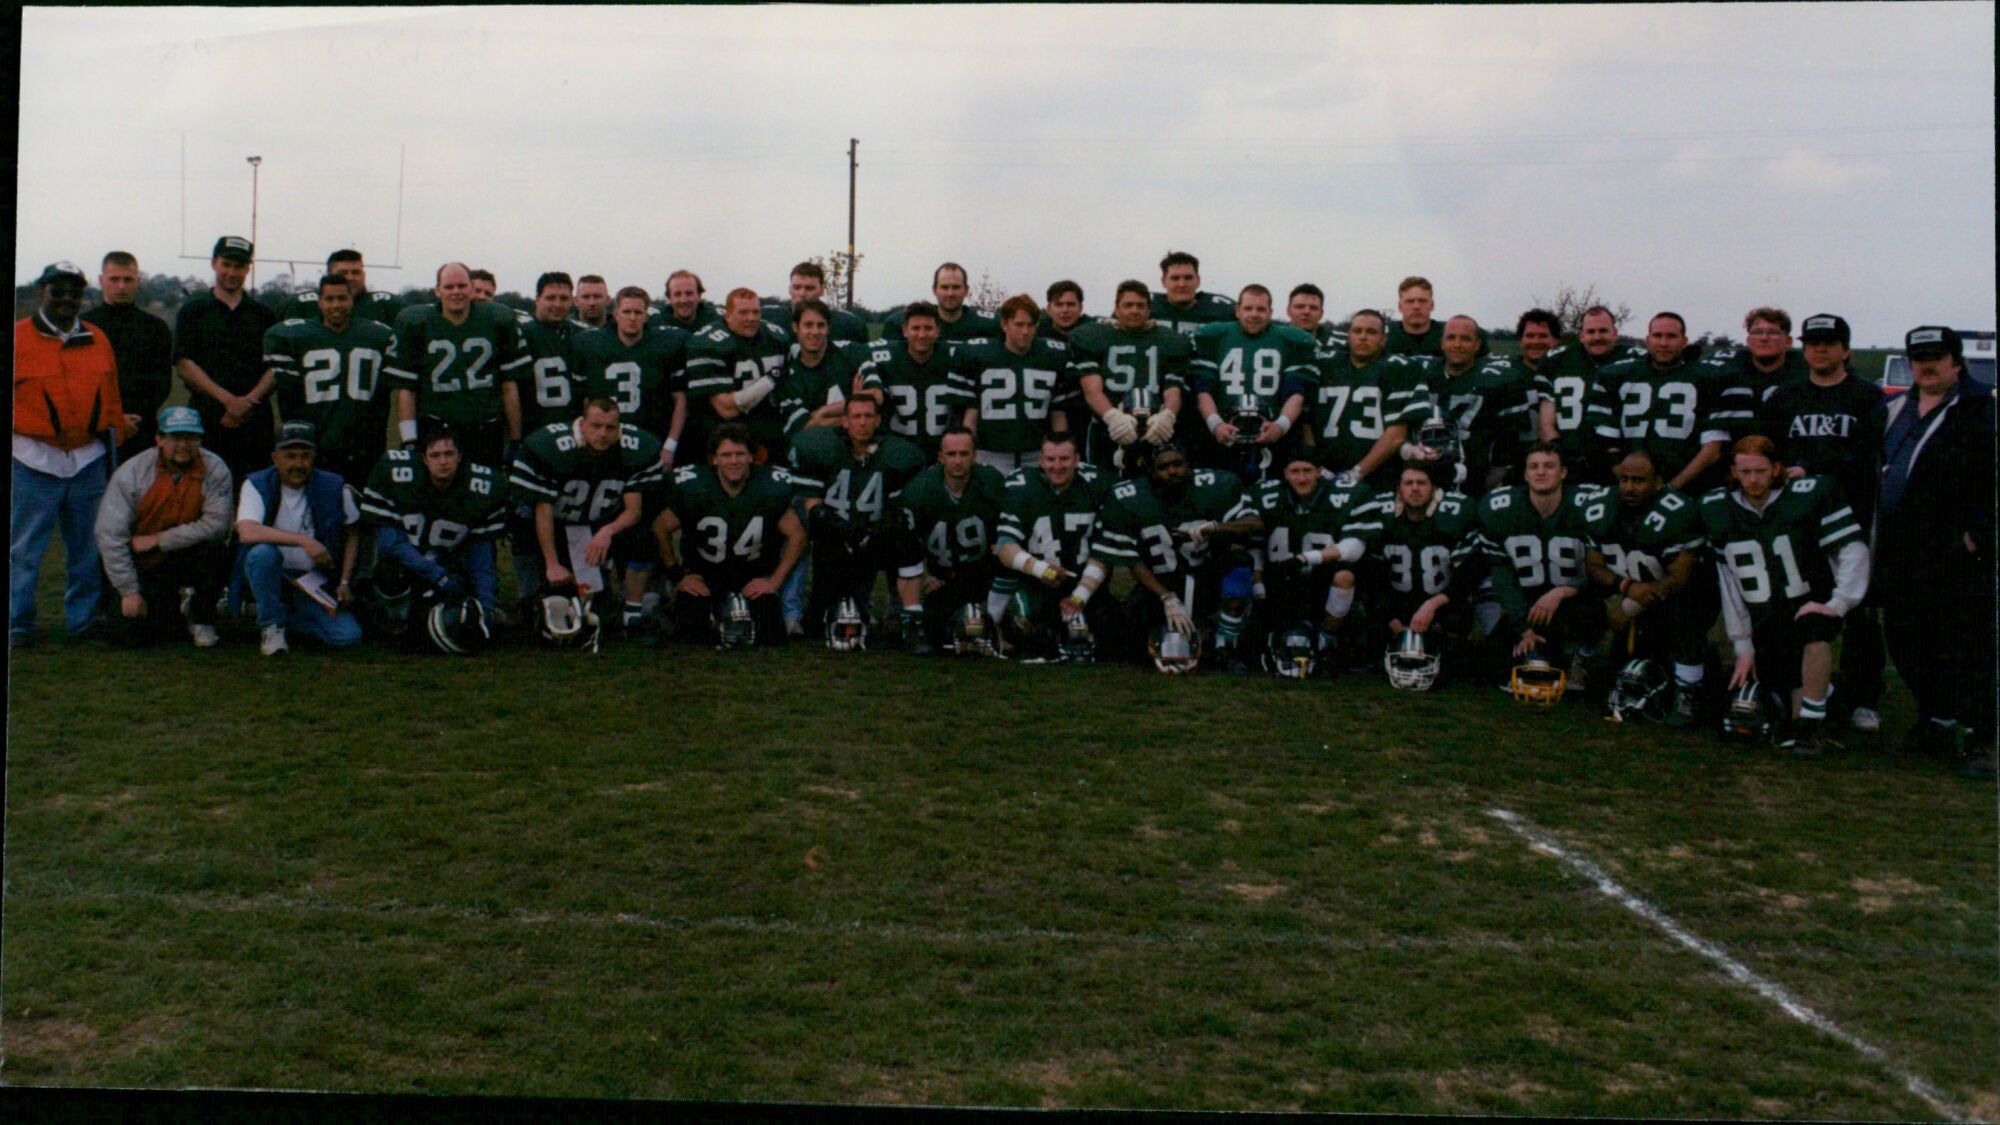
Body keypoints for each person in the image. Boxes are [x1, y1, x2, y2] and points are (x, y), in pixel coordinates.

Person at [1871, 326, 1995, 776]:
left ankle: (1985, 739)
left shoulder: (1982, 409)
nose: (1927, 364)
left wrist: (1979, 535)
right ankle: (1936, 722)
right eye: (1918, 356)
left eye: (1936, 357)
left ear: (1956, 361)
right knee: (1906, 638)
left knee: (1968, 645)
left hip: (1957, 551)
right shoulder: (1892, 406)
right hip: (1899, 547)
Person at [1756, 313, 1887, 733]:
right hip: (1800, 521)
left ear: (1846, 349)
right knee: (1797, 602)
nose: (1821, 349)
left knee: (1859, 610)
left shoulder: (1869, 398)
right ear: (1803, 347)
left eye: (1830, 342)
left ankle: (1863, 698)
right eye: (1813, 343)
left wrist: (1811, 467)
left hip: (1852, 514)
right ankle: (1795, 686)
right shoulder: (1785, 397)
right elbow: (1768, 453)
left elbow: (1870, 458)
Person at [1702, 435, 1869, 753]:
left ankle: (1810, 727)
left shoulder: (1809, 494)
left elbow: (1853, 549)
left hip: (1807, 607)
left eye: (1761, 471)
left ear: (1777, 468)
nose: (1753, 480)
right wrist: (1742, 643)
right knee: (1757, 703)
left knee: (1814, 631)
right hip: (1767, 617)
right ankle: (1826, 703)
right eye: (1745, 472)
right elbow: (1729, 581)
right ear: (1734, 471)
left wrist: (1838, 603)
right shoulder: (1717, 508)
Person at [12, 262, 137, 648]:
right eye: (58, 290)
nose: (67, 299)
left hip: (87, 459)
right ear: (40, 294)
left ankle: (83, 622)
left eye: (74, 292)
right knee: (25, 549)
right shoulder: (19, 338)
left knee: (87, 549)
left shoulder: (97, 338)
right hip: (33, 458)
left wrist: (118, 427)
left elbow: (112, 395)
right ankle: (18, 624)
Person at [509, 397, 668, 636]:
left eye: (610, 427)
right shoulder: (551, 448)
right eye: (596, 426)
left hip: (597, 528)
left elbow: (633, 511)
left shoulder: (635, 451)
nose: (603, 434)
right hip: (558, 529)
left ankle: (632, 610)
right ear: (582, 424)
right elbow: (543, 510)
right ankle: (527, 597)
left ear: (619, 428)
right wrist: (552, 564)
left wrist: (607, 531)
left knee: (642, 535)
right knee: (520, 521)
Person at [1095, 442, 1261, 668]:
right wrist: (1166, 597)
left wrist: (1215, 527)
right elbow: (1131, 560)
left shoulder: (1217, 486)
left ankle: (1225, 644)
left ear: (1188, 465)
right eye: (1163, 467)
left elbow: (1255, 523)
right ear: (1152, 472)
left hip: (1206, 578)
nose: (1172, 471)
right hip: (1159, 583)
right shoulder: (1130, 498)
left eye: (1177, 464)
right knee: (1125, 644)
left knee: (1240, 563)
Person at [1579, 448, 1712, 722]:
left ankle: (1688, 690)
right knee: (1585, 602)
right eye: (1624, 479)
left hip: (1675, 600)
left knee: (1685, 612)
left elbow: (1679, 579)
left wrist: (1629, 607)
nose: (1629, 487)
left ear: (1658, 481)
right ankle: (1582, 660)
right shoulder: (1600, 508)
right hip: (1631, 590)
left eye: (1638, 480)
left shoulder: (1679, 513)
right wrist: (1626, 586)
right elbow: (1593, 566)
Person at [651, 423, 808, 646]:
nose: (733, 461)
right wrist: (678, 576)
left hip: (751, 578)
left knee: (771, 634)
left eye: (740, 454)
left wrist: (773, 581)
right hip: (705, 577)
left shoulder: (767, 487)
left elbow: (798, 536)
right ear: (714, 459)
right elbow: (660, 527)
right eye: (726, 455)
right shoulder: (696, 487)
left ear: (752, 457)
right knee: (690, 634)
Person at [789, 394, 927, 643]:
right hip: (834, 537)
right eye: (856, 416)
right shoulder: (823, 447)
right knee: (820, 619)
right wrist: (841, 528)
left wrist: (877, 530)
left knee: (907, 540)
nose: (862, 422)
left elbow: (901, 508)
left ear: (877, 421)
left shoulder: (895, 453)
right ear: (844, 421)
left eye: (868, 416)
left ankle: (908, 616)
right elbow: (809, 504)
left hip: (877, 537)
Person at [93, 406, 235, 648]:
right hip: (140, 558)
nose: (183, 445)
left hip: (183, 553)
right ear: (159, 439)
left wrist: (160, 539)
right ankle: (166, 606)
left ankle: (201, 616)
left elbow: (217, 525)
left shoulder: (215, 468)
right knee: (137, 635)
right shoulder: (131, 473)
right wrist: (129, 591)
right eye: (175, 437)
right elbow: (110, 535)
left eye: (191, 437)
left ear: (199, 439)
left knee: (217, 552)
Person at [1475, 442, 1603, 680]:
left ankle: (1581, 656)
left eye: (1549, 466)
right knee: (1495, 665)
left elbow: (1600, 570)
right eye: (1533, 467)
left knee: (1591, 611)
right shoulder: (1502, 510)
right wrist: (1524, 629)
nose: (1541, 472)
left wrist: (1564, 591)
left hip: (1574, 601)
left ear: (1563, 472)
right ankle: (1544, 648)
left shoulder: (1588, 506)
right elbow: (1503, 577)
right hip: (1528, 604)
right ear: (1525, 474)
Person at [358, 426, 508, 629]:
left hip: (449, 565)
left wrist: (486, 605)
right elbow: (389, 544)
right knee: (390, 576)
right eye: (435, 455)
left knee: (463, 606)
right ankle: (393, 617)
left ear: (459, 457)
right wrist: (436, 575)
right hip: (408, 567)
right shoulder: (396, 476)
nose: (443, 461)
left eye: (449, 454)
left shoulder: (482, 489)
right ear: (424, 459)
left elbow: (481, 558)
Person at [235, 421, 363, 655]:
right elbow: (247, 531)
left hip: (312, 581)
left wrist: (344, 581)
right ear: (275, 457)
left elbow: (352, 534)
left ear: (314, 456)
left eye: (305, 456)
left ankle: (275, 615)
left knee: (347, 636)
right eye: (290, 456)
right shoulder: (256, 483)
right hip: (273, 573)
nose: (298, 464)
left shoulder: (335, 486)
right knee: (262, 553)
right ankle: (271, 626)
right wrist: (305, 541)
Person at [386, 262, 530, 470]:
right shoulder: (416, 323)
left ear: (472, 288)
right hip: (436, 429)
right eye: (449, 287)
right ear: (437, 290)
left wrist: (515, 441)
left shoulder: (497, 320)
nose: (456, 292)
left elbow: (509, 386)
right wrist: (409, 440)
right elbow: (406, 390)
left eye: (462, 286)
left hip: (484, 430)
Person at [987, 432, 1112, 660]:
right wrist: (1041, 570)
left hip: (1086, 582)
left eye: (1064, 459)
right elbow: (1005, 547)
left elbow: (1105, 551)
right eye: (1050, 459)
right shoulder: (1022, 486)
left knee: (1114, 635)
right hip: (1037, 584)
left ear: (1077, 459)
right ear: (1041, 460)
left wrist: (1080, 596)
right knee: (1026, 635)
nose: (1057, 466)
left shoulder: (1097, 485)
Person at [1250, 450, 1380, 669]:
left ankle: (1326, 641)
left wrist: (1304, 558)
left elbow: (1354, 548)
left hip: (1322, 583)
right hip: (1280, 584)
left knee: (1345, 577)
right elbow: (1252, 545)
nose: (1301, 478)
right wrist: (1258, 585)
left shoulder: (1345, 495)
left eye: (1307, 471)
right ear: (1285, 473)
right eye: (1295, 471)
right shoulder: (1266, 496)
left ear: (1320, 472)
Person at [1353, 462, 1483, 681]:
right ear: (1398, 489)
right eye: (1408, 483)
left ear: (1434, 489)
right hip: (1395, 606)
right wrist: (1392, 621)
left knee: (1458, 620)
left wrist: (1433, 605)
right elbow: (1371, 581)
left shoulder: (1452, 519)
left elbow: (1468, 576)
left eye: (1421, 483)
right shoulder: (1384, 521)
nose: (1415, 488)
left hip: (1439, 606)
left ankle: (1448, 649)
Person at [265, 272, 396, 488]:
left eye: (342, 298)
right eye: (329, 299)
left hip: (364, 445)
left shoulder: (377, 336)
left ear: (352, 300)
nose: (336, 305)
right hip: (317, 445)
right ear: (319, 302)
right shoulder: (296, 335)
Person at [1586, 311, 1732, 495]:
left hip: (1688, 489)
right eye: (1657, 336)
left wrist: (1670, 489)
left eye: (1671, 336)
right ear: (1647, 339)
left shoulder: (1708, 379)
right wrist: (1632, 484)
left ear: (1684, 341)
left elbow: (1712, 451)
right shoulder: (1617, 376)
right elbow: (1607, 443)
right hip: (1628, 490)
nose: (1663, 343)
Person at [173, 235, 279, 484]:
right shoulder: (193, 312)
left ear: (248, 269)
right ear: (214, 264)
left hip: (254, 422)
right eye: (226, 265)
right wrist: (228, 401)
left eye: (239, 266)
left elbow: (276, 366)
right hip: (208, 418)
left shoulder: (264, 315)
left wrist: (247, 402)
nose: (232, 272)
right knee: (205, 493)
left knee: (253, 495)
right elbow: (184, 364)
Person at [895, 426, 1008, 653]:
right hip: (941, 578)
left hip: (982, 574)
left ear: (974, 456)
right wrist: (925, 575)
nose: (958, 461)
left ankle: (1001, 623)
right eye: (951, 454)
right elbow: (905, 544)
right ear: (940, 457)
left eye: (964, 454)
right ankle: (913, 622)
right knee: (936, 631)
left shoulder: (991, 483)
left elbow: (1008, 535)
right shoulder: (920, 489)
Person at [1401, 314, 1538, 496]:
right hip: (1419, 480)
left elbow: (1507, 451)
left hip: (1474, 480)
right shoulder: (1422, 371)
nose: (1457, 344)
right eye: (1451, 338)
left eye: (1465, 339)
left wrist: (1483, 487)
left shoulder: (1500, 380)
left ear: (1477, 344)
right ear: (1442, 343)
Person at [1190, 284, 1317, 477]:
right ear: (1237, 310)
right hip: (1223, 433)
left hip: (1271, 435)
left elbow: (1296, 393)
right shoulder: (1215, 336)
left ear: (1270, 312)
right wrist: (1215, 424)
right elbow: (1203, 390)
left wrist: (1280, 426)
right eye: (1248, 308)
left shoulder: (1291, 340)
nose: (1254, 314)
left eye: (1261, 309)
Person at [1064, 280, 1190, 472]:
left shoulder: (1169, 340)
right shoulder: (1094, 336)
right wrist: (1111, 416)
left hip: (1155, 429)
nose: (1134, 310)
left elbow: (1173, 389)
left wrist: (1168, 416)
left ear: (1149, 309)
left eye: (1140, 305)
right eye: (1128, 305)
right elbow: (1092, 390)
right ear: (1116, 307)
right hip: (1109, 430)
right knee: (1104, 484)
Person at [953, 294, 1074, 474]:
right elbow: (971, 413)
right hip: (990, 453)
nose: (1025, 331)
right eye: (1019, 324)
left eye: (1030, 325)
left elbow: (1058, 412)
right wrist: (967, 451)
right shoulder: (979, 355)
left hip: (1036, 453)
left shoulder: (1052, 356)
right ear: (1004, 324)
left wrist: (1061, 452)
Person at [1304, 308, 1418, 492]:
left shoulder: (1398, 368)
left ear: (1383, 339)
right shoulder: (1326, 365)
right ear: (1348, 335)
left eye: (1371, 332)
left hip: (1378, 478)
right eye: (1357, 331)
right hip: (1323, 475)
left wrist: (1356, 473)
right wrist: (1314, 463)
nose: (1363, 337)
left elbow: (1396, 435)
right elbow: (1306, 420)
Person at [572, 286, 687, 463]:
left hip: (651, 438)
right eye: (627, 311)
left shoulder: (665, 345)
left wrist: (670, 445)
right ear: (616, 314)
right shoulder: (590, 343)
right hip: (604, 439)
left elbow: (680, 399)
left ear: (646, 316)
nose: (632, 318)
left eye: (638, 312)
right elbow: (583, 398)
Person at [82, 251, 174, 464]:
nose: (121, 286)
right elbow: (81, 384)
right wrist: (112, 419)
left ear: (137, 281)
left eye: (128, 279)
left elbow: (162, 382)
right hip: (92, 431)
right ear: (101, 280)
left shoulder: (155, 328)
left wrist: (131, 419)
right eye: (114, 279)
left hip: (139, 428)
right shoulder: (83, 327)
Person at [1538, 305, 1646, 482]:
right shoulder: (1557, 361)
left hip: (1623, 463)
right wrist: (1559, 456)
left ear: (1615, 333)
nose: (1597, 337)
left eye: (1603, 331)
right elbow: (1545, 424)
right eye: (1591, 331)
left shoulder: (1637, 360)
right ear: (1581, 336)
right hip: (1570, 459)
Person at [685, 288, 793, 463]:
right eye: (743, 312)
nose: (751, 318)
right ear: (728, 316)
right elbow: (726, 409)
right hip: (724, 436)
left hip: (771, 430)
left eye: (755, 312)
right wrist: (770, 379)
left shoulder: (776, 337)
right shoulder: (707, 343)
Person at [856, 301, 965, 458]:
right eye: (915, 328)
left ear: (938, 331)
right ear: (904, 330)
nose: (921, 334)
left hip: (941, 451)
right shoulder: (885, 358)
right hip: (897, 450)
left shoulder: (955, 356)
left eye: (928, 328)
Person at [777, 298, 872, 440]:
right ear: (795, 327)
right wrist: (853, 405)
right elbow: (805, 426)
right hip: (813, 449)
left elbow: (875, 397)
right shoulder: (788, 373)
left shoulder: (851, 353)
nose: (815, 332)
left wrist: (823, 412)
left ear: (828, 327)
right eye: (808, 325)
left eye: (821, 325)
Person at [1708, 307, 1808, 439]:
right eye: (1757, 332)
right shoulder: (1729, 367)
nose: (1764, 338)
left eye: (1773, 332)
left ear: (1788, 341)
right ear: (1749, 340)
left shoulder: (1805, 369)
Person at [516, 271, 585, 435]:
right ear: (537, 299)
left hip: (574, 428)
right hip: (533, 428)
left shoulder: (583, 335)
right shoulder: (520, 333)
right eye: (550, 298)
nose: (558, 304)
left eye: (564, 298)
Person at [883, 262, 1000, 347]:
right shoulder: (900, 322)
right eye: (944, 287)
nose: (950, 293)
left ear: (966, 290)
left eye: (956, 287)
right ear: (934, 290)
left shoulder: (990, 324)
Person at [275, 249, 402, 326]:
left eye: (356, 272)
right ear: (329, 275)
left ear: (364, 275)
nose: (350, 278)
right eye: (343, 273)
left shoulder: (386, 305)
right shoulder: (300, 305)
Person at [769, 261, 868, 345]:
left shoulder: (847, 324)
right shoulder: (773, 319)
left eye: (809, 288)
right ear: (789, 289)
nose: (802, 293)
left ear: (821, 290)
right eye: (797, 287)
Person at [1148, 250, 1236, 338]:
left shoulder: (1222, 309)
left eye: (1188, 278)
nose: (1182, 284)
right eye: (1175, 278)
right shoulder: (1145, 306)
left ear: (1198, 280)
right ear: (1163, 281)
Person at [651, 269, 724, 335]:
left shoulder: (717, 320)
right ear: (669, 297)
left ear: (699, 295)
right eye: (677, 294)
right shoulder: (654, 321)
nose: (683, 300)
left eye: (689, 293)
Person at [1384, 277, 1443, 357]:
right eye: (1410, 301)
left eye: (1422, 301)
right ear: (1400, 306)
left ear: (1432, 305)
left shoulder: (1448, 335)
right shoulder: (1384, 336)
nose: (1416, 306)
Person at [1286, 283, 1345, 349]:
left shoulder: (1342, 343)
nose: (1307, 312)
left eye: (1313, 308)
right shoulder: (1274, 340)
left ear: (1321, 314)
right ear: (1288, 311)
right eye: (1300, 307)